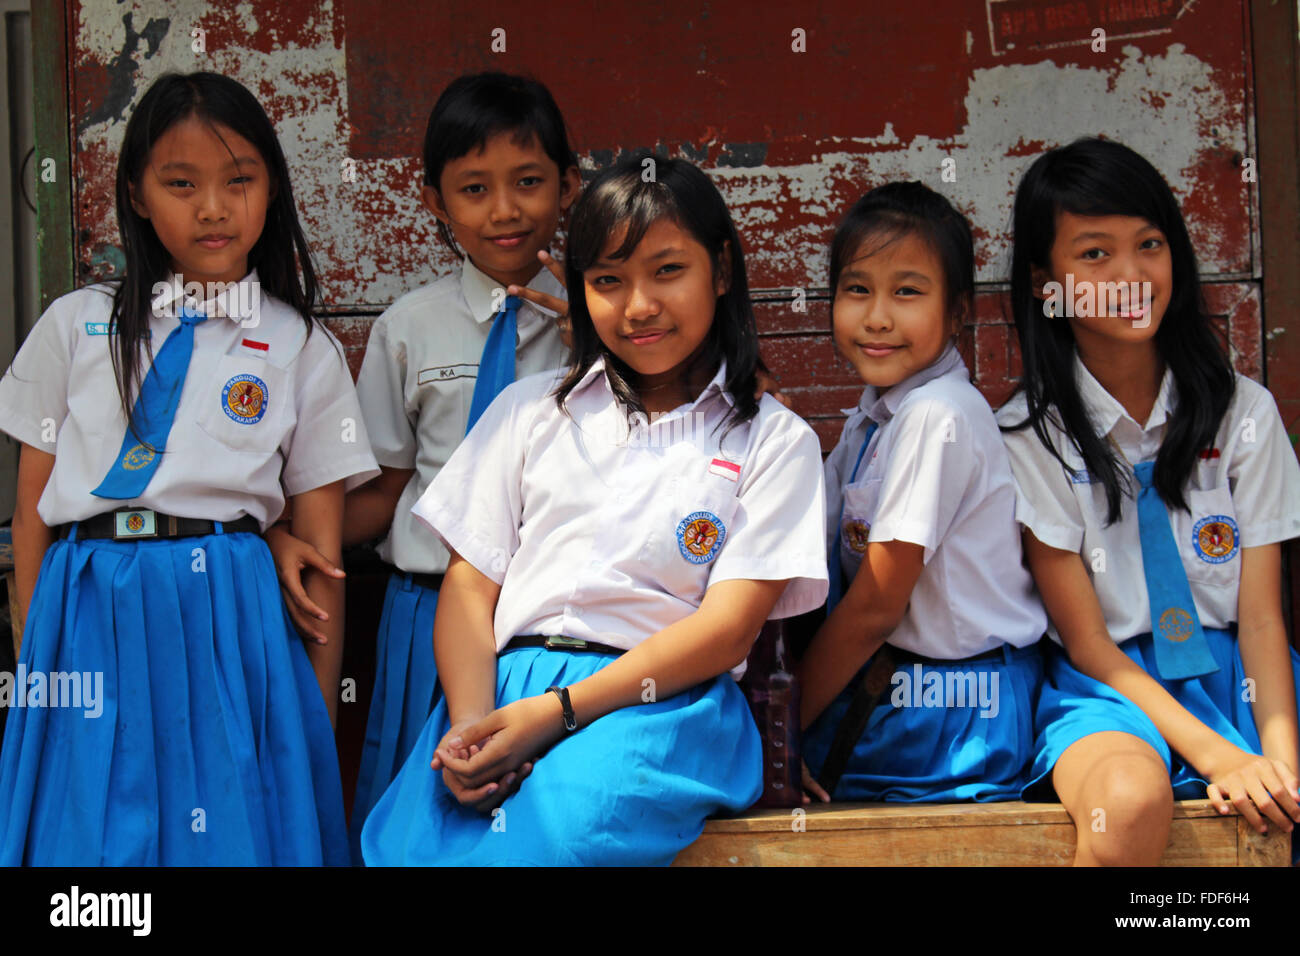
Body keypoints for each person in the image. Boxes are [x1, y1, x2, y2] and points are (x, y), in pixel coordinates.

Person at [360, 153, 827, 865]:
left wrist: (562, 712)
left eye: (668, 270)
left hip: (659, 706)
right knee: (405, 849)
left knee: (561, 839)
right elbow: (468, 584)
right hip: (504, 690)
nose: (638, 306)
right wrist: (472, 725)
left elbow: (730, 629)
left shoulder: (772, 438)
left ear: (722, 271)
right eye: (608, 280)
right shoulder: (528, 412)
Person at [0, 71, 379, 865]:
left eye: (238, 180)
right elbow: (31, 515)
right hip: (87, 607)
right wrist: (38, 663)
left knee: (229, 831)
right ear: (137, 196)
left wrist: (309, 713)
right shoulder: (75, 326)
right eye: (181, 183)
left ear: (270, 187)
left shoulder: (300, 346)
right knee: (94, 841)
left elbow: (320, 559)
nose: (213, 207)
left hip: (229, 615)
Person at [998, 137, 1300, 863]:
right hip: (1109, 689)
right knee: (1128, 804)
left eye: (1150, 244)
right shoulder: (1025, 436)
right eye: (1095, 254)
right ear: (1047, 282)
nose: (1131, 274)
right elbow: (1090, 643)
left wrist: (1276, 757)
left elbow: (1261, 616)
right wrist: (1218, 757)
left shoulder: (1243, 414)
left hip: (1242, 673)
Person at [797, 182, 1049, 805]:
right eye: (858, 290)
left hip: (953, 716)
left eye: (907, 292)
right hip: (892, 699)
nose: (878, 316)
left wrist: (772, 737)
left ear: (958, 312)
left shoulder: (938, 414)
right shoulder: (872, 419)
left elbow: (878, 605)